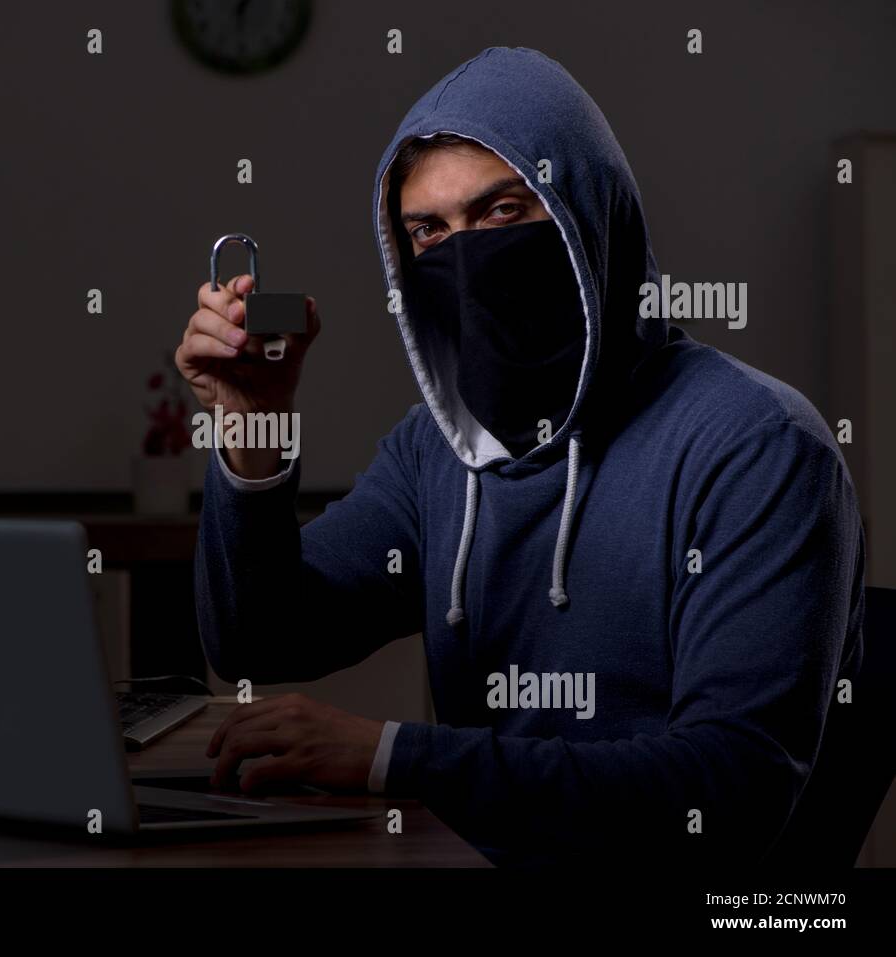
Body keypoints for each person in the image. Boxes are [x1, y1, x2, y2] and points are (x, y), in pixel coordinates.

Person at [174, 46, 865, 865]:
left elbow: (727, 792)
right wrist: (254, 426)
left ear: (590, 217)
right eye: (429, 231)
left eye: (502, 213)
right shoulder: (437, 450)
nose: (464, 257)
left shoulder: (758, 446)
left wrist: (397, 756)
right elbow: (260, 639)